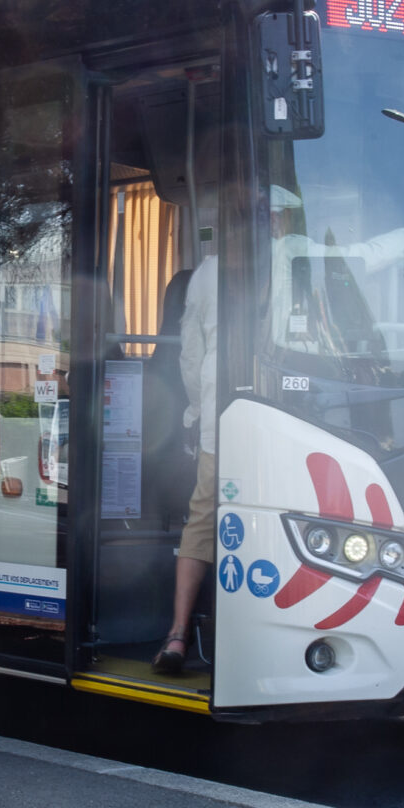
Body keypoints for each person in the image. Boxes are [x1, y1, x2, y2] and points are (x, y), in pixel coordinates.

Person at [154, 247, 220, 675]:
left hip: (220, 415)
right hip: (283, 413)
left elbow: (191, 357)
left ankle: (178, 634)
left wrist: (197, 411)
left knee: (202, 517)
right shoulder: (296, 257)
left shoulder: (210, 272)